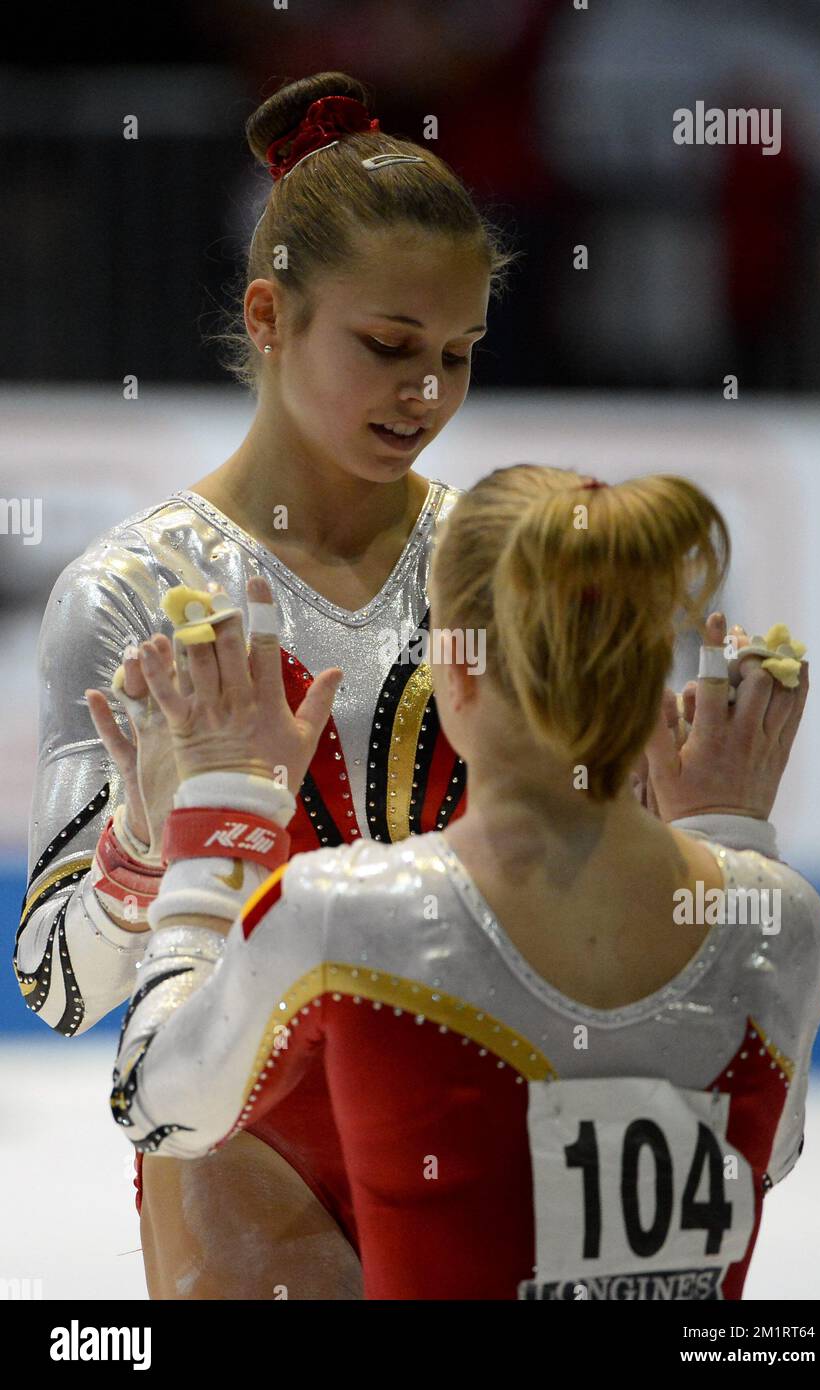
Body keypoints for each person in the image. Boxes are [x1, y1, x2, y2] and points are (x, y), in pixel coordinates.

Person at [14, 69, 515, 1299]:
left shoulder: (497, 570)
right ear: (270, 315)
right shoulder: (134, 593)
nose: (426, 394)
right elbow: (59, 987)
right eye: (389, 346)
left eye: (457, 355)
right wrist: (147, 836)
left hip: (492, 1099)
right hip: (241, 1126)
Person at [104, 467, 820, 1300]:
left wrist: (217, 809)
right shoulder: (781, 920)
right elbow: (760, 1154)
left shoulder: (350, 913)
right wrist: (725, 834)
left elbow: (159, 1102)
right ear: (644, 682)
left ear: (459, 673)